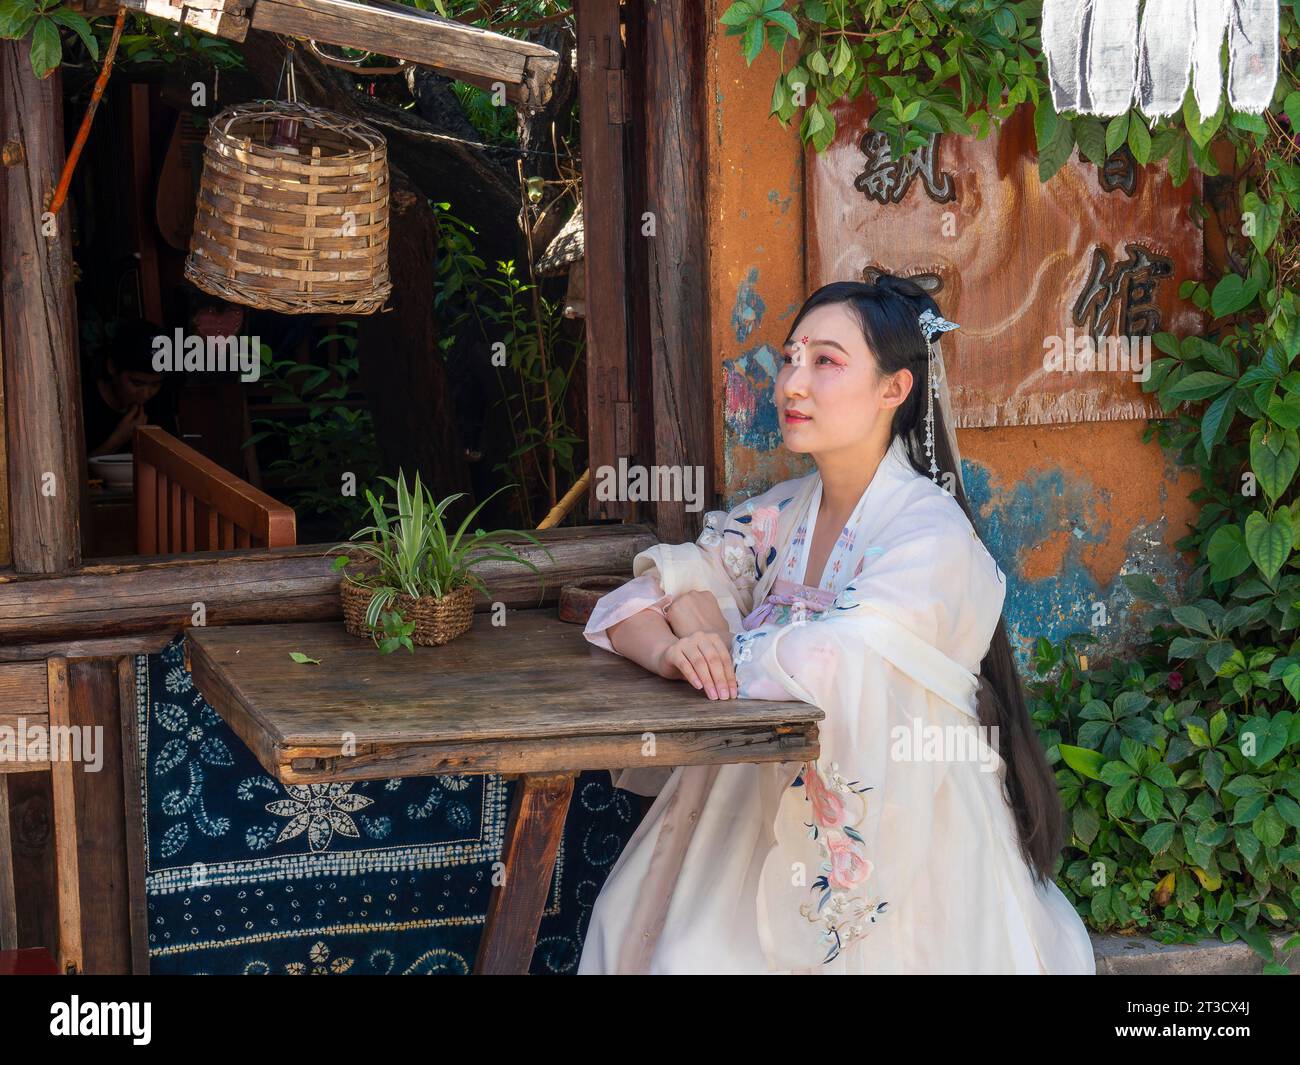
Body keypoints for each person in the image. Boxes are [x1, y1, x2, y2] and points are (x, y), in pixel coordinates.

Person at [578, 274, 1096, 974]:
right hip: (751, 802)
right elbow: (632, 604)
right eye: (792, 357)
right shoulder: (780, 515)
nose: (792, 382)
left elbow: (832, 659)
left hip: (899, 818)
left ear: (895, 389)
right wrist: (677, 647)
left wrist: (712, 623)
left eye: (826, 361)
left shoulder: (930, 533)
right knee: (671, 945)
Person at [83, 319, 178, 457]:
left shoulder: (159, 400)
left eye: (155, 384)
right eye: (137, 384)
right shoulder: (85, 404)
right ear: (112, 367)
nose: (146, 394)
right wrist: (118, 439)